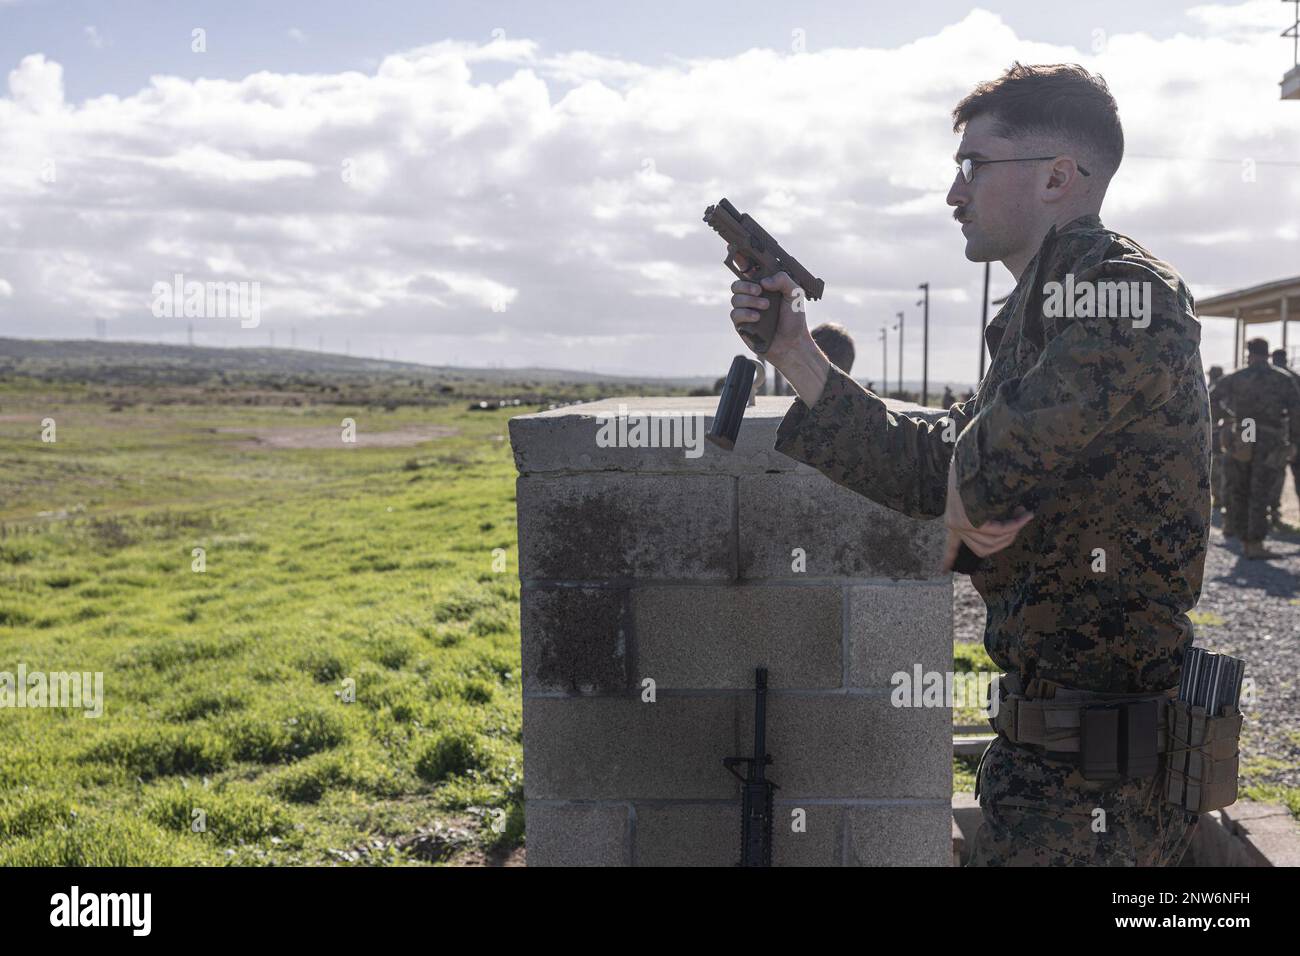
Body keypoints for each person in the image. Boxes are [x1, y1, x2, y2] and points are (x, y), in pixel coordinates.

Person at [728, 62, 1208, 865]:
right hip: (1050, 755)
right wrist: (793, 351)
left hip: (1100, 777)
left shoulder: (1124, 294)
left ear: (1057, 176)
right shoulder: (1037, 315)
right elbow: (936, 472)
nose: (954, 193)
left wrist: (962, 509)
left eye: (973, 166)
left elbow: (977, 482)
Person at [1210, 339, 1300, 557]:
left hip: (1245, 431)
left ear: (1249, 354)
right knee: (1261, 490)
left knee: (1241, 487)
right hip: (1270, 435)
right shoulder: (1283, 378)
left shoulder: (1236, 377)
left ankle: (1241, 536)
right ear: (1267, 354)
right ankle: (1255, 543)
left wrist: (1229, 418)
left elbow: (1211, 399)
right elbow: (1297, 412)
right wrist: (1295, 441)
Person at [1267, 349, 1300, 526]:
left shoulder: (1265, 378)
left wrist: (1248, 437)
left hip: (1270, 436)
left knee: (1272, 475)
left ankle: (1273, 513)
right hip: (1294, 435)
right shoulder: (1294, 378)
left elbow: (1248, 415)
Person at [1207, 365, 1226, 514]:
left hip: (1213, 434)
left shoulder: (1211, 390)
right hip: (1222, 434)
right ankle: (1220, 497)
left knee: (1215, 469)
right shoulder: (1227, 389)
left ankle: (1219, 498)